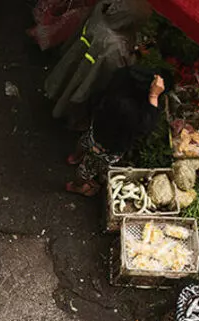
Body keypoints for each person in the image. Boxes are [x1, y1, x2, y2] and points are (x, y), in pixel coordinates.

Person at [44, 0, 152, 125]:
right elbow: (116, 68)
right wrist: (137, 55)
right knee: (76, 93)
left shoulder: (100, 12)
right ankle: (65, 115)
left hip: (76, 58)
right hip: (89, 75)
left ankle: (54, 94)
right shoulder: (117, 44)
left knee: (66, 77)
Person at [66, 68, 166, 196]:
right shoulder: (132, 112)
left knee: (86, 141)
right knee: (87, 168)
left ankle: (74, 157)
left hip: (97, 129)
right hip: (107, 146)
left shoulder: (121, 83)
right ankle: (76, 185)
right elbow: (145, 127)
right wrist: (154, 96)